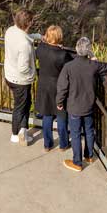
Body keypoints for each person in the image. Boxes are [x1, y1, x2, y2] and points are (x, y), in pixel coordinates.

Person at [55, 36, 107, 172]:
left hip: (74, 106)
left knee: (75, 134)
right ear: (88, 51)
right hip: (89, 105)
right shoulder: (93, 66)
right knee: (89, 130)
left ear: (76, 49)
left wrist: (59, 102)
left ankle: (77, 162)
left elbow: (62, 87)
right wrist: (94, 59)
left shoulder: (69, 66)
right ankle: (89, 155)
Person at [35, 25, 74, 153]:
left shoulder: (40, 49)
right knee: (61, 115)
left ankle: (47, 144)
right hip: (58, 87)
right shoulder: (63, 55)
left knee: (47, 115)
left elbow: (42, 49)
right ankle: (63, 144)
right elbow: (70, 67)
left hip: (44, 85)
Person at [4, 9, 36, 146]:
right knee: (19, 106)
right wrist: (32, 75)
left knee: (26, 103)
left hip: (9, 74)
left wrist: (39, 36)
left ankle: (24, 130)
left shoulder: (10, 30)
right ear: (28, 23)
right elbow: (23, 68)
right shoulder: (25, 45)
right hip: (20, 80)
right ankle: (15, 134)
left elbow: (25, 36)